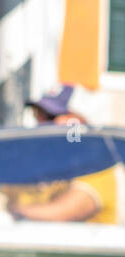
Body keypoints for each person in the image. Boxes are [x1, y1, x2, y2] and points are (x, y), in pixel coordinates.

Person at [10, 84, 122, 223]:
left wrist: (10, 211)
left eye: (51, 116)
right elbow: (4, 194)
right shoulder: (41, 163)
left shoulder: (98, 165)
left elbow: (62, 212)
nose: (40, 122)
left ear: (80, 122)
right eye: (38, 114)